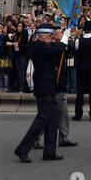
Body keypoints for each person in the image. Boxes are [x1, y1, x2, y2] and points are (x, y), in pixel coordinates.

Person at [15, 24, 67, 162]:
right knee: (42, 119)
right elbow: (58, 50)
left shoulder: (42, 45)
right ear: (42, 35)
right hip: (44, 87)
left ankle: (50, 151)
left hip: (48, 86)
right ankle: (23, 148)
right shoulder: (38, 46)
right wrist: (64, 38)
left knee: (53, 119)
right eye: (50, 36)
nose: (51, 38)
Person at [72, 19, 91, 121]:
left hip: (81, 67)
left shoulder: (78, 41)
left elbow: (77, 51)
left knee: (80, 91)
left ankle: (78, 114)